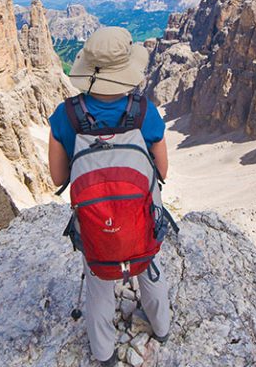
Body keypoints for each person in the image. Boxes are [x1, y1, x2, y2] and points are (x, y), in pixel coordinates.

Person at [48, 27, 172, 366]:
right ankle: (161, 328)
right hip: (141, 216)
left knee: (98, 282)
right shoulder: (145, 111)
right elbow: (162, 172)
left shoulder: (67, 115)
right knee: (149, 264)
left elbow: (58, 177)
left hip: (96, 222)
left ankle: (103, 353)